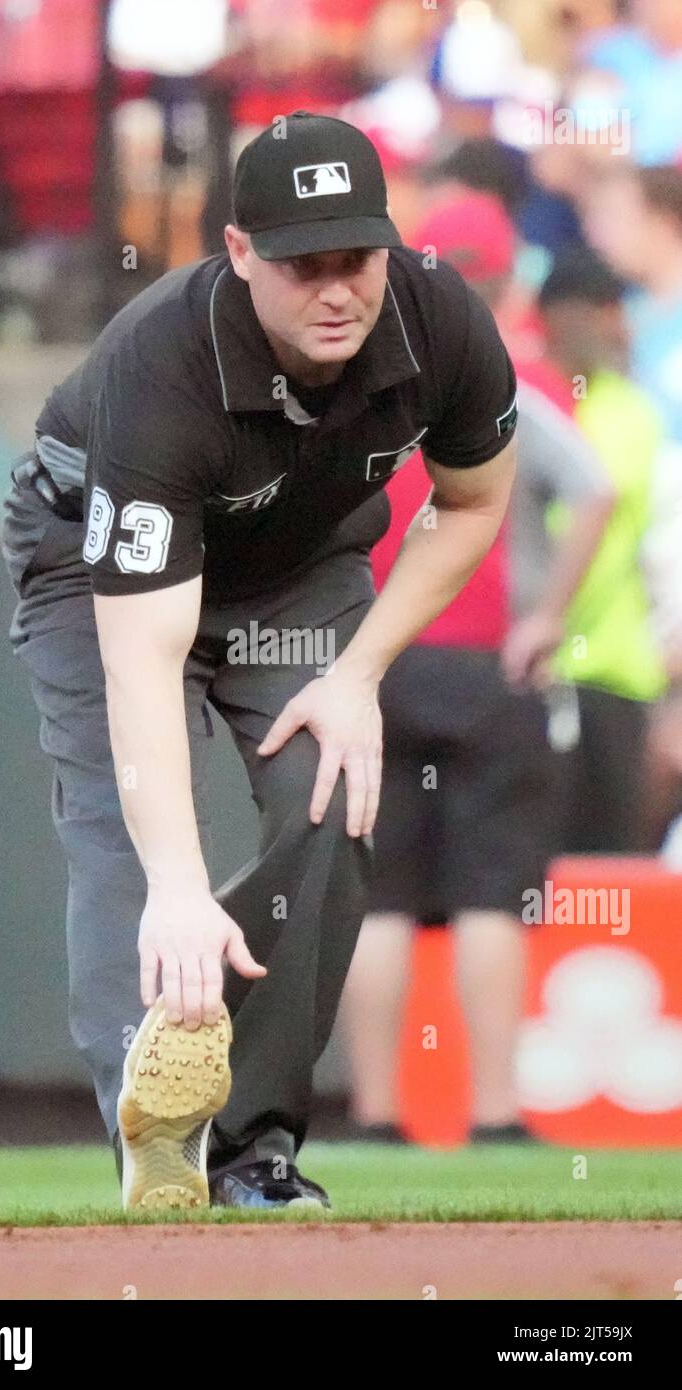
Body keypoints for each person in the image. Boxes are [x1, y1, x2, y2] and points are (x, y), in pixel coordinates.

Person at [0, 111, 518, 1210]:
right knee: (126, 836)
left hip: (299, 564)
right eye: (303, 265)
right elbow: (144, 660)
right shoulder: (164, 366)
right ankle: (162, 1140)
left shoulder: (439, 320)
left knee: (331, 787)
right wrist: (184, 890)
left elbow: (473, 502)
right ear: (239, 253)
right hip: (94, 553)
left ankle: (254, 1149)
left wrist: (359, 674)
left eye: (357, 259)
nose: (338, 290)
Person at [340, 193, 614, 1146]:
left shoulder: (360, 385)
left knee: (377, 902)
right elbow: (594, 489)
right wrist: (545, 618)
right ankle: (494, 1112)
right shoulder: (509, 381)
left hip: (374, 670)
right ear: (503, 280)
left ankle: (374, 1114)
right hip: (488, 670)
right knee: (490, 895)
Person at [537, 246, 666, 853]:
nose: (621, 324)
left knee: (611, 868)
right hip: (534, 675)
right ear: (563, 316)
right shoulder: (525, 402)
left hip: (611, 676)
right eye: (607, 308)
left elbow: (641, 547)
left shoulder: (631, 414)